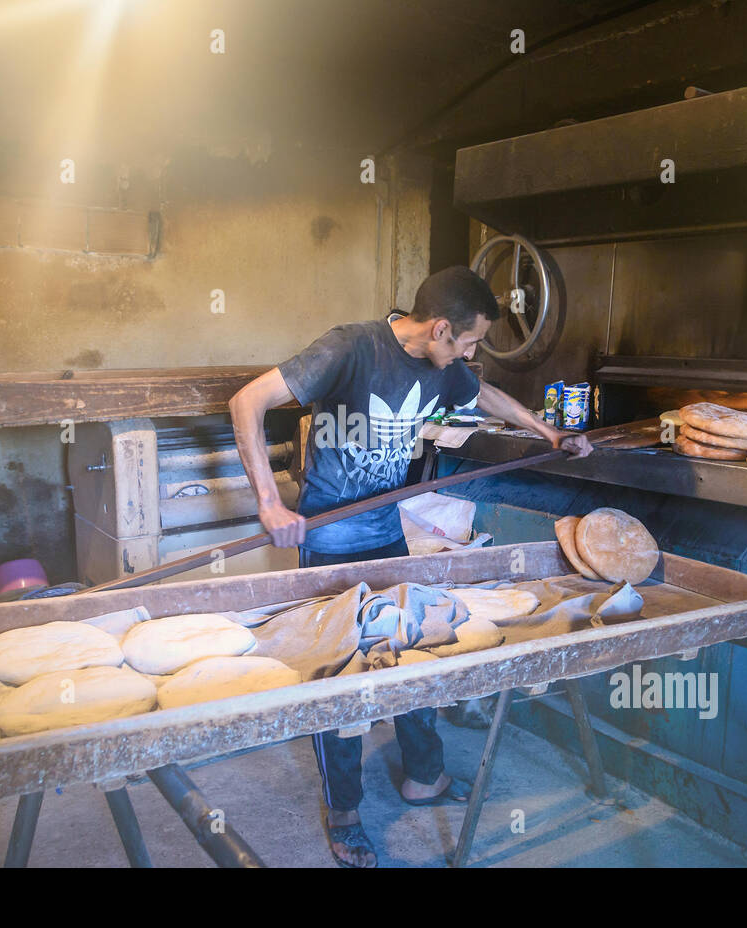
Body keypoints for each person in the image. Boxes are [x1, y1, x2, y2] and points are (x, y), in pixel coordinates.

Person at [229, 265, 591, 867]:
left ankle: (423, 776)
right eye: (470, 342)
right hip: (331, 540)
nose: (469, 356)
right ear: (441, 327)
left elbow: (482, 394)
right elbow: (248, 401)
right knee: (340, 679)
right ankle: (344, 811)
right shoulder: (351, 347)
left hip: (385, 536)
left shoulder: (443, 367)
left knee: (414, 654)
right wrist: (269, 502)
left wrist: (545, 430)